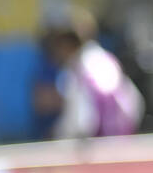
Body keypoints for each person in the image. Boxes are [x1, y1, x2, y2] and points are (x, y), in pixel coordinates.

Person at [45, 8, 144, 139]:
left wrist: (59, 137)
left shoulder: (78, 69)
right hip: (122, 136)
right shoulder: (105, 58)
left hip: (99, 143)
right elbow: (134, 100)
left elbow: (81, 120)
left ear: (66, 44)